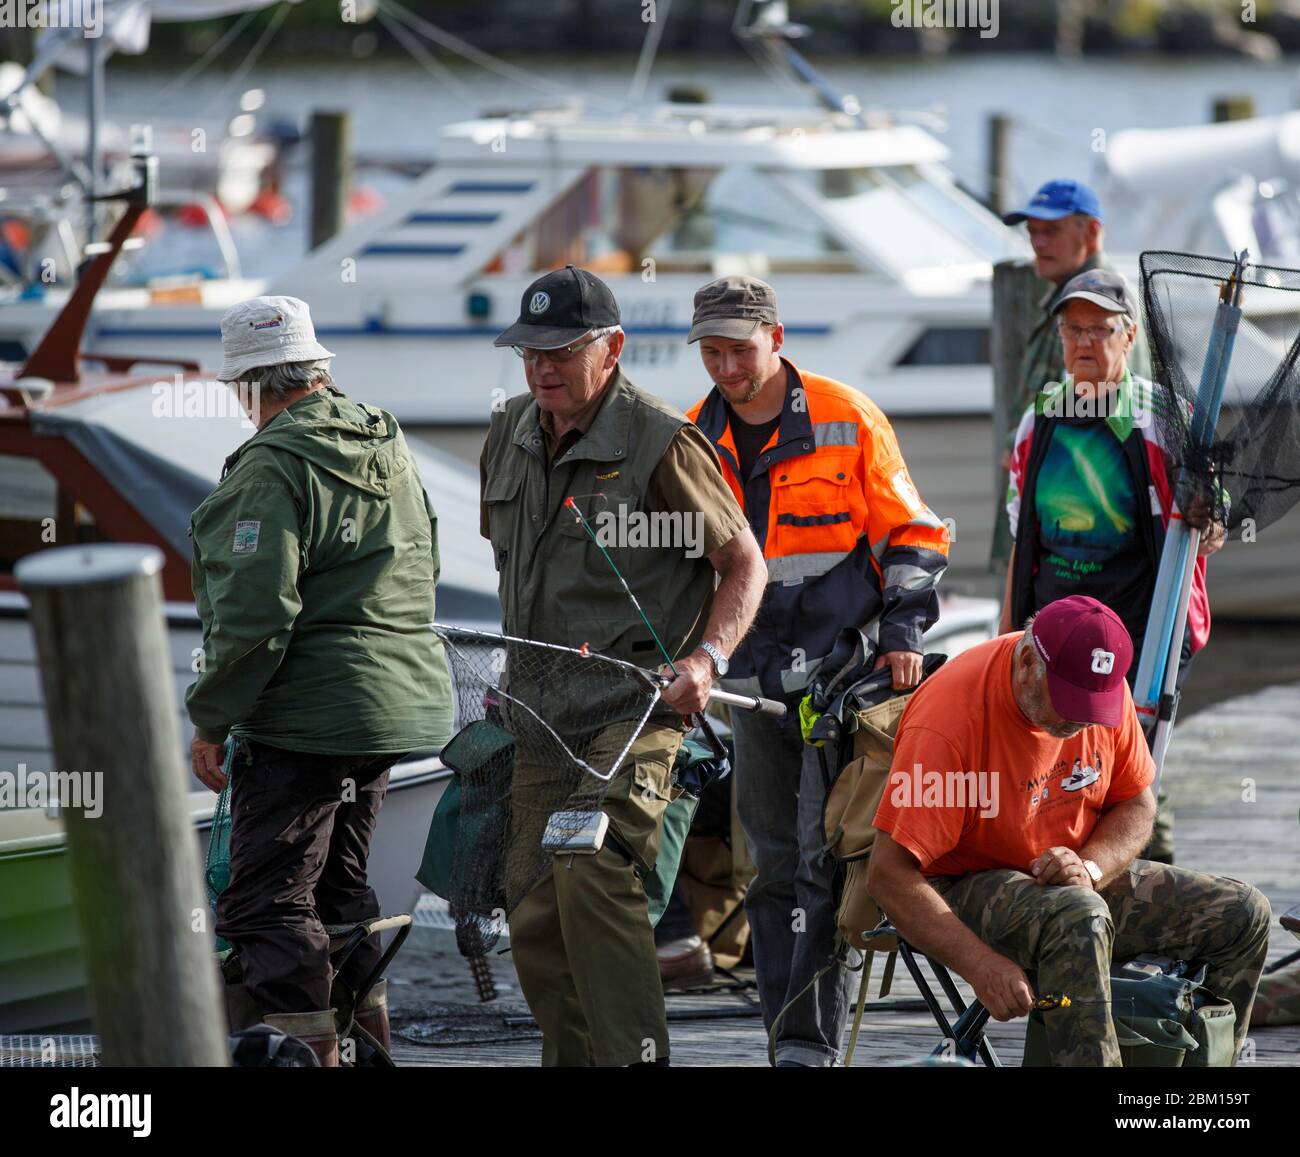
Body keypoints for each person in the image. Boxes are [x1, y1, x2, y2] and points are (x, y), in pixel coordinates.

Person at [480, 265, 766, 1066]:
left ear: (612, 349)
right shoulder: (505, 432)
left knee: (590, 863)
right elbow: (515, 572)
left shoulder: (661, 441)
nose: (542, 367)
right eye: (529, 350)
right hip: (537, 713)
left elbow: (745, 564)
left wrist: (707, 659)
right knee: (532, 901)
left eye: (562, 350)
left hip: (633, 711)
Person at [684, 274, 950, 1066]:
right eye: (711, 350)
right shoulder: (695, 436)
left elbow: (916, 533)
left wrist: (903, 630)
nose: (727, 366)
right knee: (771, 867)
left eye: (739, 347)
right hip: (754, 685)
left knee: (823, 864)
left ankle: (807, 1040)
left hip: (845, 676)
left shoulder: (847, 415)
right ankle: (787, 1040)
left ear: (777, 336)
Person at [187, 295, 453, 1066]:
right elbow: (425, 562)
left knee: (267, 902)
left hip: (310, 718)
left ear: (247, 387)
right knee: (339, 893)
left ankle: (317, 1057)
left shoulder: (272, 466)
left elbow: (253, 617)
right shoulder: (387, 441)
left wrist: (211, 721)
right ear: (319, 368)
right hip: (398, 710)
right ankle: (370, 1049)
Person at [868, 596, 1271, 1066]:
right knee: (1078, 916)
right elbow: (889, 876)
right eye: (1067, 703)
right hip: (961, 884)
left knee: (1245, 914)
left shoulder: (1099, 685)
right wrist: (980, 965)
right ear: (1025, 663)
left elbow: (1137, 801)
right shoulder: (949, 723)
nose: (1078, 720)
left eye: (1090, 708)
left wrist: (1091, 866)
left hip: (1071, 880)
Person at [1000, 268, 1226, 863]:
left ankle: (1150, 871)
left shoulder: (1164, 415)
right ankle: (1065, 895)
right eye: (1072, 330)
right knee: (1057, 770)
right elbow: (1023, 544)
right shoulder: (1039, 420)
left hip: (1140, 630)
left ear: (1128, 339)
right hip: (1053, 628)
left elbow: (1214, 524)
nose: (1083, 343)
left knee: (1126, 771)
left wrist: (1209, 513)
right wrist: (1005, 636)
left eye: (1099, 330)